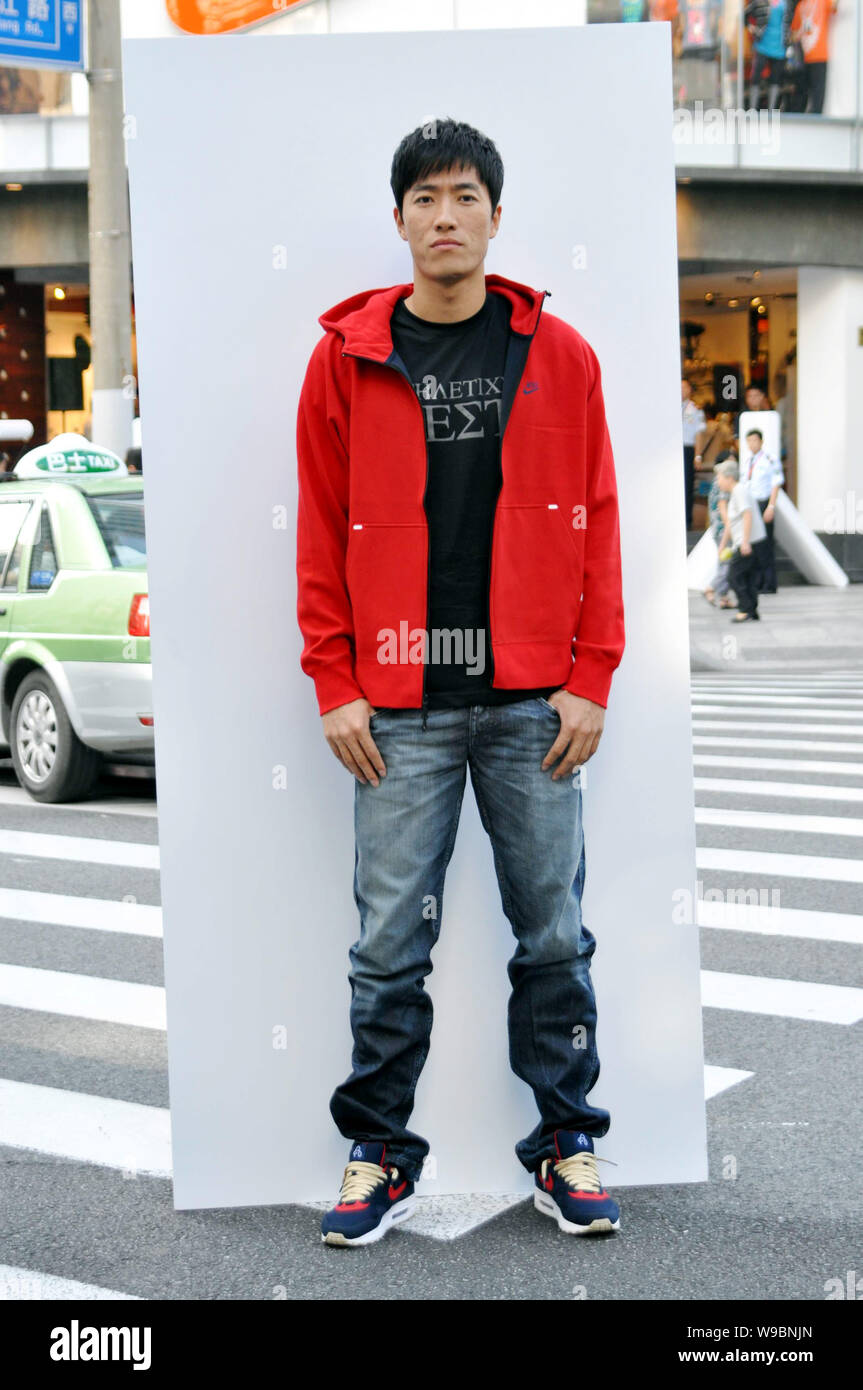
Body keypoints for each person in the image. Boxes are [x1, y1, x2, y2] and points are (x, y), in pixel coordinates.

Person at [296, 118, 625, 1247]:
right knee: (389, 940)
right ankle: (377, 1152)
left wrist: (590, 676)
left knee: (552, 933)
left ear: (494, 215)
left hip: (532, 698)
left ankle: (566, 1143)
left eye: (465, 195)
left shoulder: (560, 357)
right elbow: (318, 535)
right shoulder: (343, 358)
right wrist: (334, 681)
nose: (446, 214)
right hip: (398, 706)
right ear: (399, 219)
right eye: (425, 197)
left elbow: (602, 525)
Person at [716, 459, 770, 621]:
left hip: (749, 543)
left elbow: (747, 515)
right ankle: (751, 610)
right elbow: (731, 524)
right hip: (749, 542)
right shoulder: (736, 493)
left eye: (719, 477)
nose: (718, 481)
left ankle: (745, 609)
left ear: (729, 478)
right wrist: (723, 545)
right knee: (747, 577)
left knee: (734, 576)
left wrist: (745, 541)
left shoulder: (739, 491)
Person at [741, 426, 784, 591]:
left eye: (754, 440)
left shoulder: (769, 459)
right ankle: (757, 581)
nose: (752, 444)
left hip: (763, 503)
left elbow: (776, 483)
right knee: (755, 544)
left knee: (766, 544)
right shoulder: (747, 461)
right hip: (750, 505)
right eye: (749, 441)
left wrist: (771, 506)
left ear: (761, 441)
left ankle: (769, 583)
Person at [790, 0, 839, 113]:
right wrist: (799, 33)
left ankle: (816, 121)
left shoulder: (823, 2)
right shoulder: (800, 6)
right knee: (800, 94)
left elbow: (834, 6)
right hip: (803, 58)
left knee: (817, 95)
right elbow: (793, 34)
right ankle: (797, 120)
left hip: (819, 56)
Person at [703, 454, 735, 607]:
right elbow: (723, 507)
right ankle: (711, 587)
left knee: (723, 562)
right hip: (723, 528)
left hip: (719, 527)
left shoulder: (717, 481)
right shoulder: (722, 482)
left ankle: (724, 598)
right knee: (727, 563)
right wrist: (729, 526)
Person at [682, 377, 705, 529]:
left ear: (690, 390)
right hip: (673, 451)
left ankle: (687, 520)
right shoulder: (667, 407)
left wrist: (698, 455)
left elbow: (699, 434)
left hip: (688, 449)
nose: (681, 391)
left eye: (684, 387)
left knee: (687, 485)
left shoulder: (695, 409)